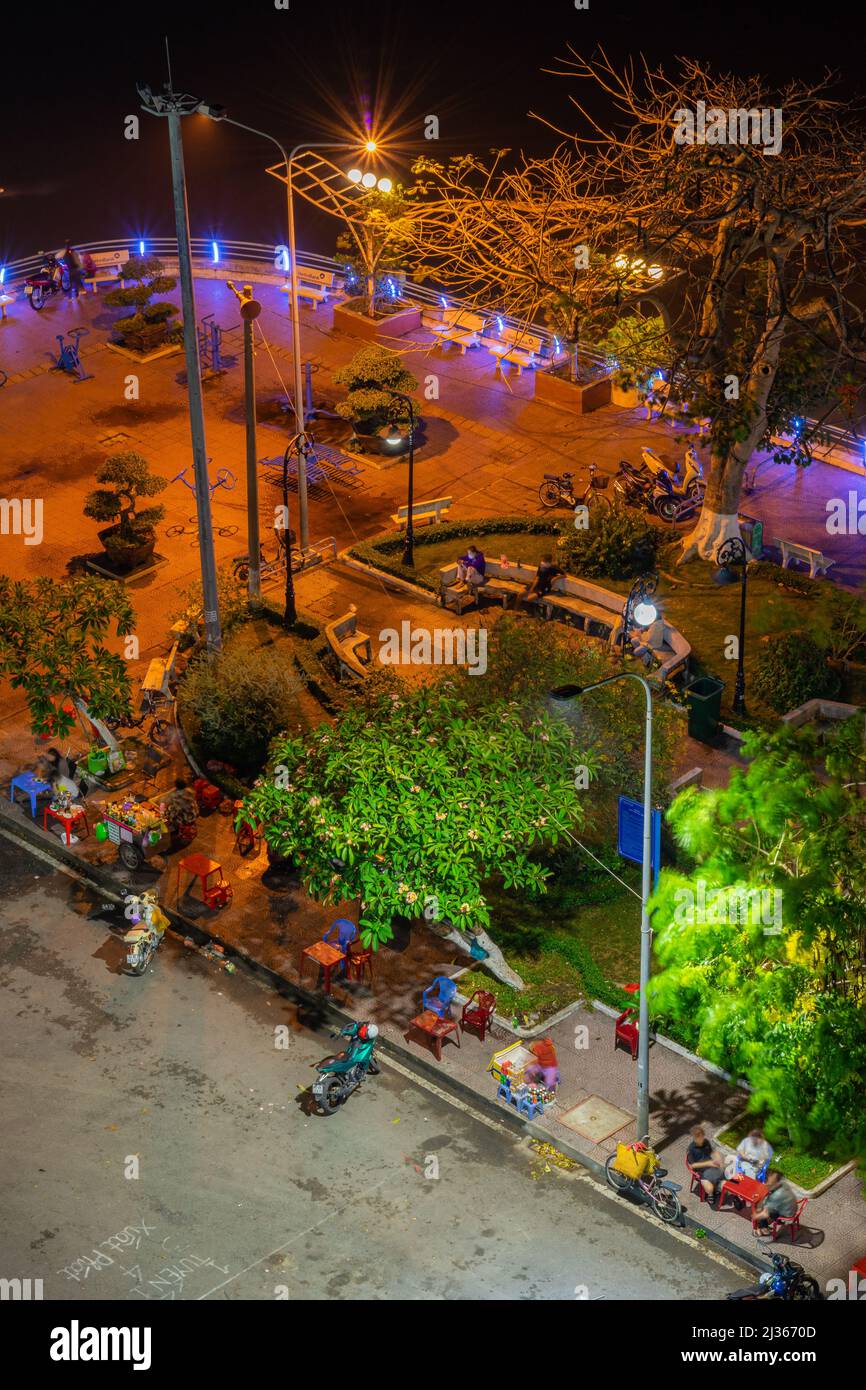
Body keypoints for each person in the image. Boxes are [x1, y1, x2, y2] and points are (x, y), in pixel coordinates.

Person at [686, 1126, 726, 1206]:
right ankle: (711, 1194)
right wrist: (708, 1163)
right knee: (710, 1189)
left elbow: (712, 1152)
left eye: (702, 1136)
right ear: (695, 1138)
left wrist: (717, 1157)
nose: (702, 1139)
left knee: (725, 1184)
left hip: (712, 1168)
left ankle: (717, 1187)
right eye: (699, 1137)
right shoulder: (691, 1149)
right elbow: (692, 1166)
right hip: (701, 1172)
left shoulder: (706, 1142)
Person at [752, 1169, 797, 1234]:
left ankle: (764, 1229)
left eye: (770, 1183)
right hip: (791, 1208)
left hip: (785, 1216)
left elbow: (765, 1214)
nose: (767, 1184)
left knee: (761, 1209)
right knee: (764, 1204)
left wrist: (755, 1216)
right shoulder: (784, 1183)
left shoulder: (776, 1195)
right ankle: (763, 1226)